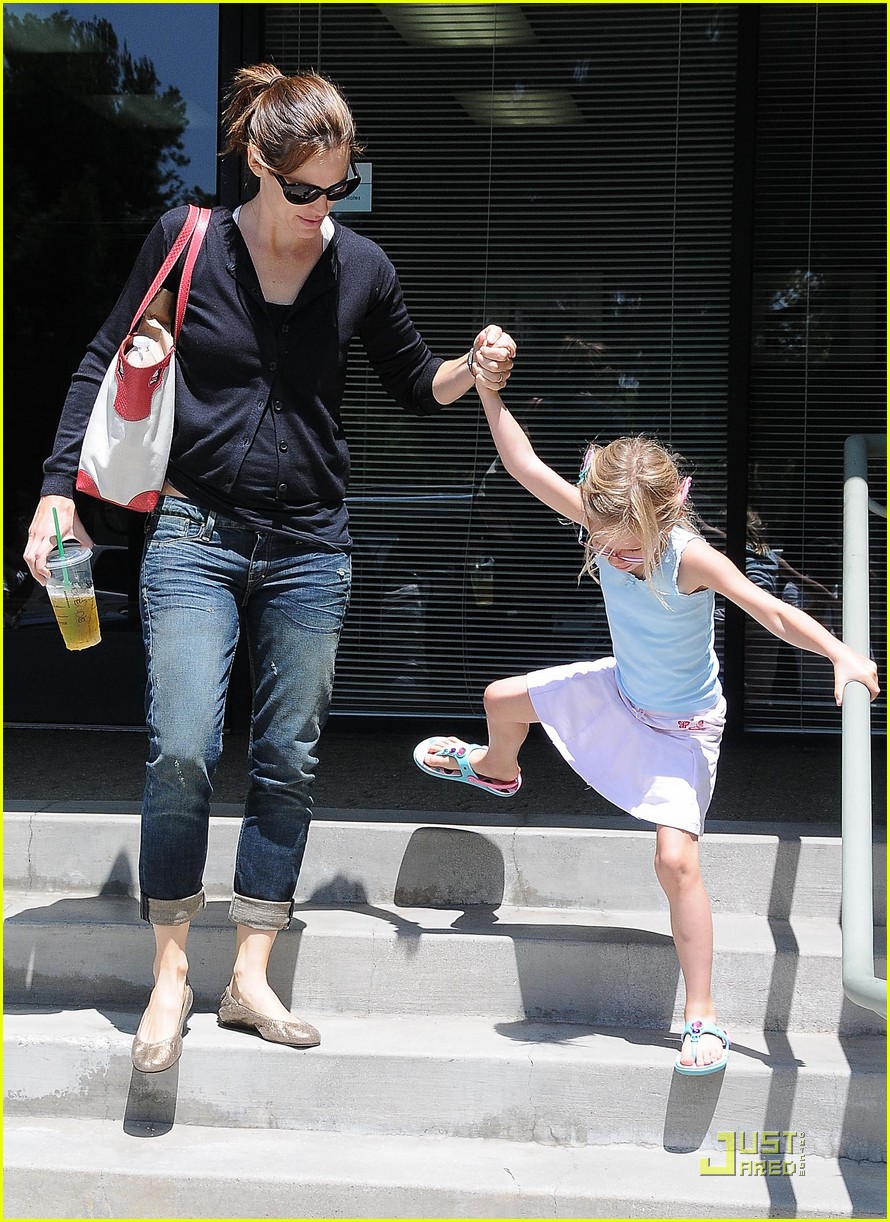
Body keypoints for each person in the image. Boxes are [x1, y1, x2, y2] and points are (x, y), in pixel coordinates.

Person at [23, 63, 516, 1073]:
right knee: (181, 746)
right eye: (301, 189)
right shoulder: (188, 240)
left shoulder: (361, 268)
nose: (318, 210)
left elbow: (417, 381)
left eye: (338, 189)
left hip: (310, 547)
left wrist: (476, 368)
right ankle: (169, 970)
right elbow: (99, 356)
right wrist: (53, 487)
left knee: (287, 760)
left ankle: (249, 973)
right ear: (258, 162)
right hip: (195, 533)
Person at [414, 378, 879, 1076]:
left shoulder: (690, 557)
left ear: (666, 517)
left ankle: (702, 1018)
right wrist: (487, 394)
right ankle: (497, 769)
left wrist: (842, 653)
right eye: (606, 545)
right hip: (622, 688)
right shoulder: (602, 521)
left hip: (683, 728)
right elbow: (522, 464)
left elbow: (770, 611)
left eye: (630, 549)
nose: (617, 559)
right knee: (500, 699)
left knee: (674, 860)